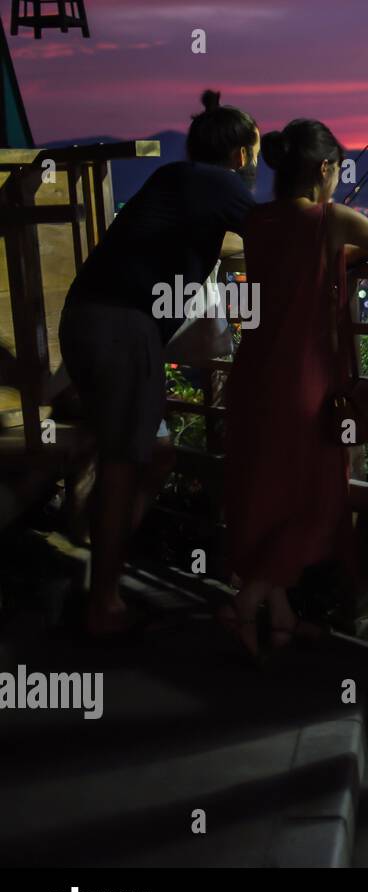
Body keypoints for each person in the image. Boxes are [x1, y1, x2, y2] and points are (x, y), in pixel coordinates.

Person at [220, 119, 368, 654]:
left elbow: (287, 268)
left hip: (254, 376)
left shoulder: (258, 219)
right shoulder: (331, 219)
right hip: (303, 382)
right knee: (316, 498)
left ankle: (276, 611)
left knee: (267, 493)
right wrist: (349, 247)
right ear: (324, 169)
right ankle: (249, 601)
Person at [58, 90, 259, 636]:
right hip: (124, 328)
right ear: (241, 154)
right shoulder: (219, 184)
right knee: (127, 458)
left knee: (158, 454)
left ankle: (103, 556)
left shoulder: (177, 181)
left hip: (87, 319)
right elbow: (281, 233)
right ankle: (103, 604)